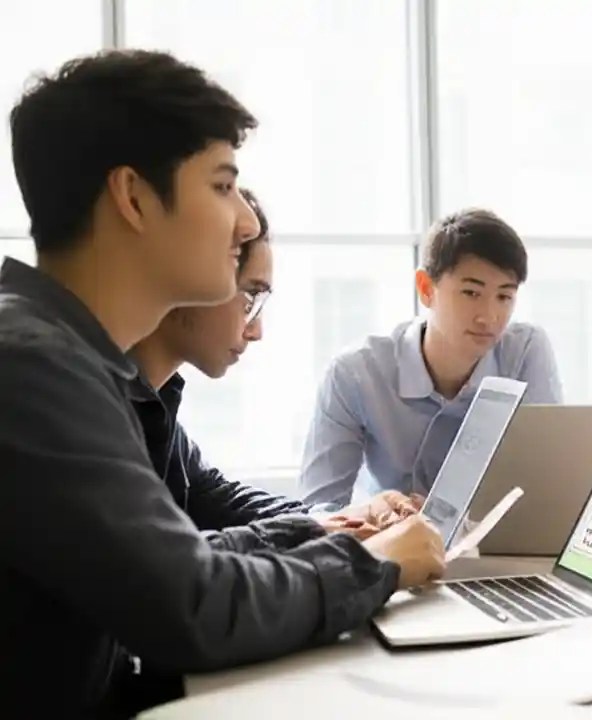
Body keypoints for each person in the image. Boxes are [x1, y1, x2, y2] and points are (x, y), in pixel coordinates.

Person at [0, 50, 443, 717]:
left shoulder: (67, 357)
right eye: (222, 185)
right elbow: (191, 607)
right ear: (133, 197)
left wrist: (328, 535)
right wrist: (375, 567)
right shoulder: (33, 366)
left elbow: (171, 564)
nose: (243, 222)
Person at [128, 188, 423, 549]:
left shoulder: (155, 395)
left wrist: (336, 522)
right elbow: (170, 563)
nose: (257, 331)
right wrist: (351, 552)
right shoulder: (99, 402)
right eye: (250, 296)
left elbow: (213, 496)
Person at [299, 207, 562, 509]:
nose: (489, 317)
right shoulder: (355, 373)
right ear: (426, 289)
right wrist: (372, 520)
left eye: (504, 297)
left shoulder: (525, 352)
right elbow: (317, 510)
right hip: (389, 544)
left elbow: (547, 483)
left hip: (492, 546)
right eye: (471, 293)